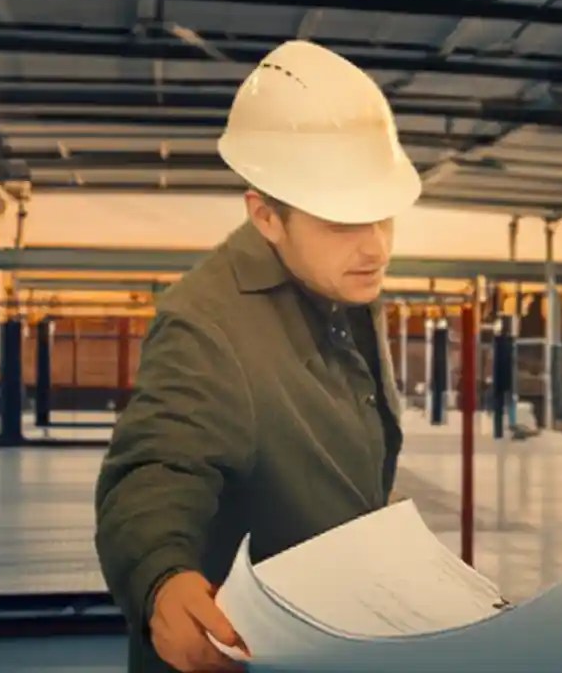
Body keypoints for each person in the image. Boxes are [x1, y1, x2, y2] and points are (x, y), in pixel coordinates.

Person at [94, 39, 421, 673]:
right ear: (266, 216)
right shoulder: (206, 324)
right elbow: (158, 467)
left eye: (383, 217)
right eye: (342, 222)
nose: (377, 247)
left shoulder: (339, 285)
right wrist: (162, 576)